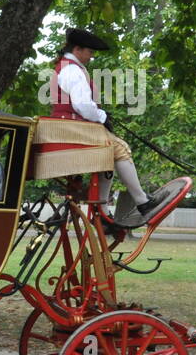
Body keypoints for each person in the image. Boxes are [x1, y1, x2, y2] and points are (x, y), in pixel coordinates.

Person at [51, 27, 166, 223]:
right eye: (90, 52)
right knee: (120, 148)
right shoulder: (73, 70)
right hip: (74, 129)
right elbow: (83, 106)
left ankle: (102, 210)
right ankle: (141, 201)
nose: (91, 56)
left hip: (69, 128)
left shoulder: (66, 67)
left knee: (108, 157)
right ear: (78, 49)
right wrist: (102, 116)